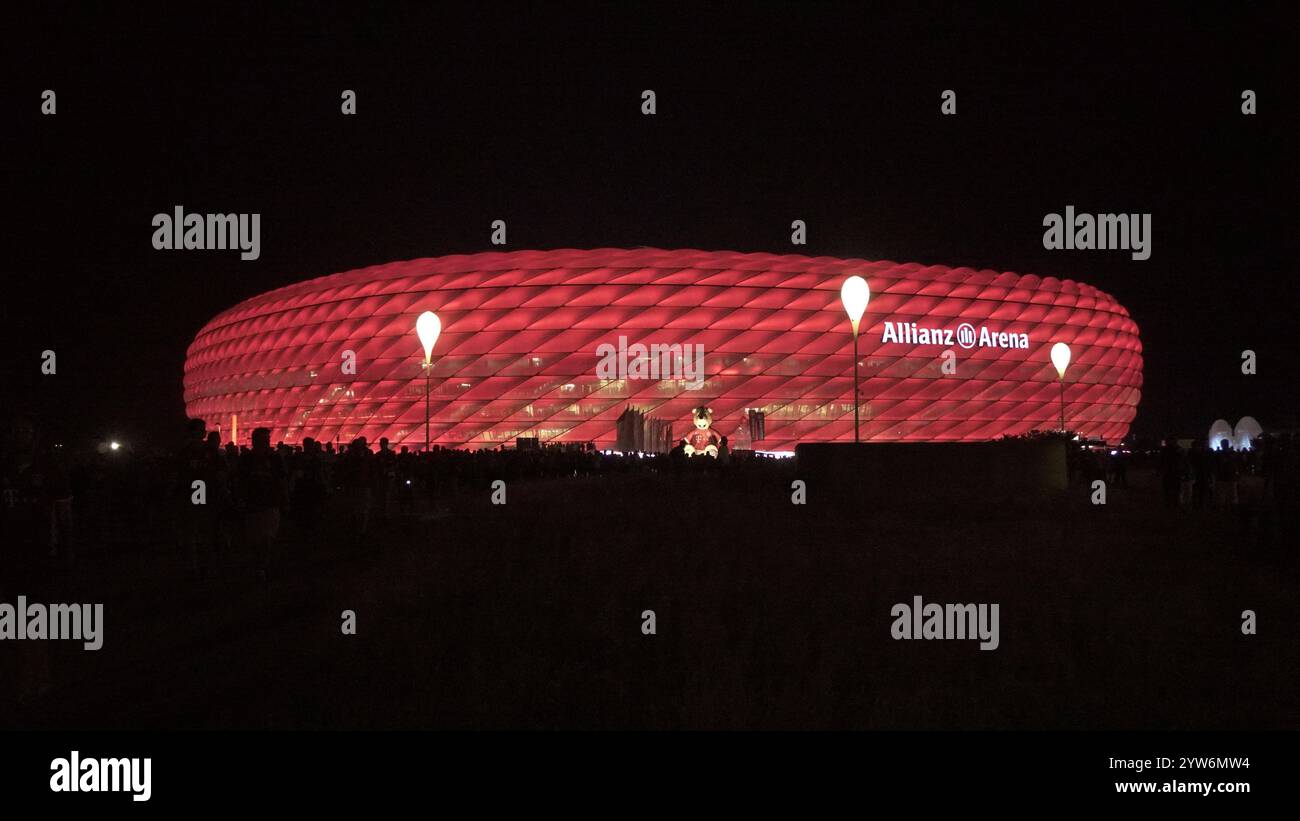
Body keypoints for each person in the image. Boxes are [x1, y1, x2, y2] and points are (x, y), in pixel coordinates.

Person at [239, 427, 287, 580]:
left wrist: (284, 498)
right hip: (252, 504)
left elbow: (282, 480)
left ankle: (261, 566)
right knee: (255, 539)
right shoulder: (246, 459)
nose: (265, 443)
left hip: (270, 503)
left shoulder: (275, 458)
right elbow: (239, 481)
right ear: (254, 441)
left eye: (266, 440)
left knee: (268, 538)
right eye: (262, 440)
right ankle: (258, 564)